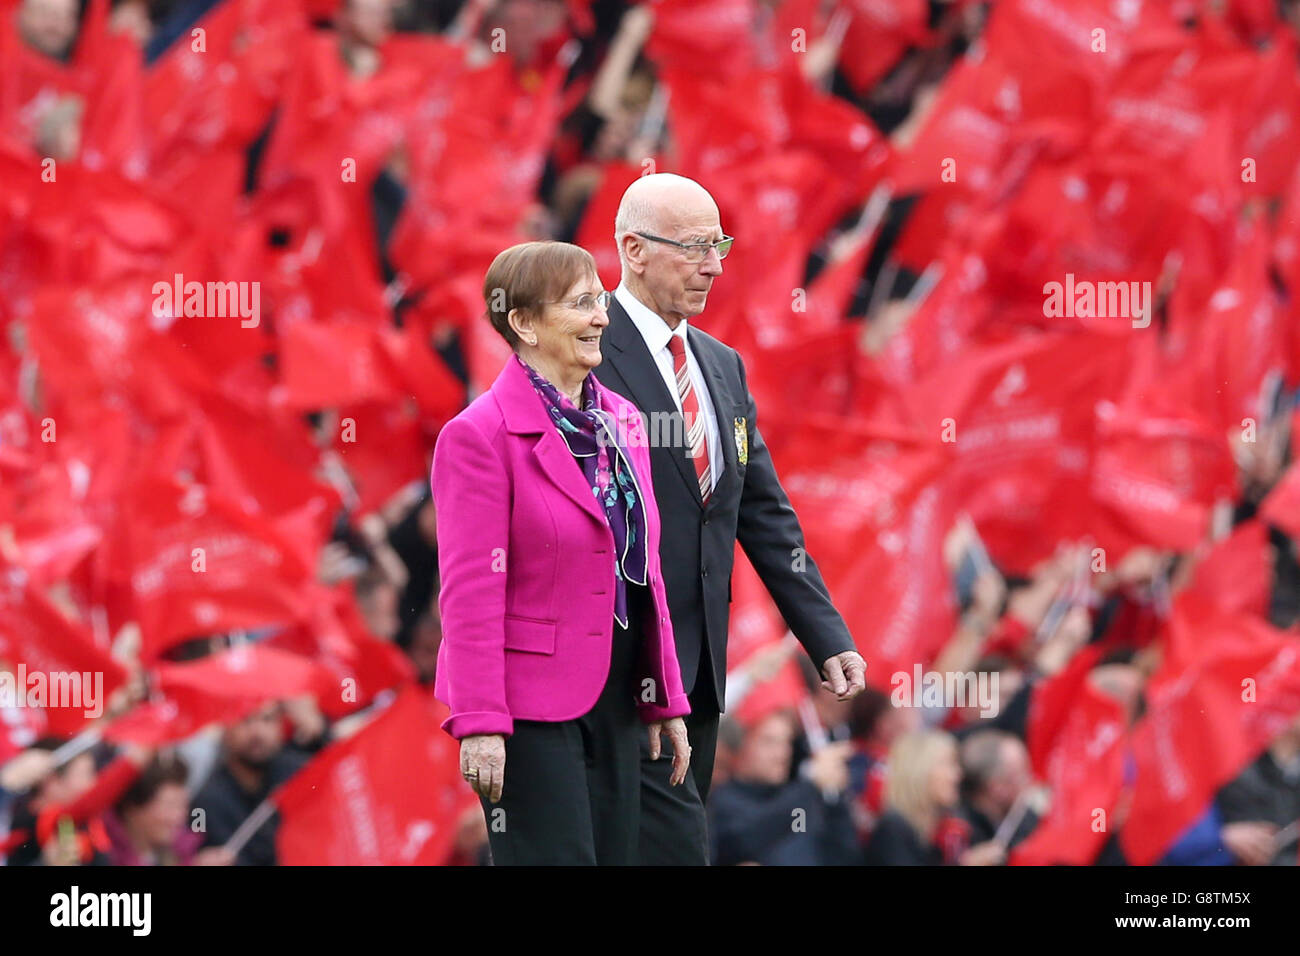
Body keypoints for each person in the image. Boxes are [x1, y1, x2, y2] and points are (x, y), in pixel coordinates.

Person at [593, 172, 867, 864]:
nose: (715, 264)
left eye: (719, 244)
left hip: (701, 670)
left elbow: (764, 514)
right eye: (694, 247)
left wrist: (825, 635)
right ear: (633, 248)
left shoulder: (721, 366)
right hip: (616, 666)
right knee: (666, 848)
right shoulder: (586, 349)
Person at [431, 240, 690, 865]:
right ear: (523, 322)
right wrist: (480, 719)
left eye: (600, 301)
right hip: (531, 710)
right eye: (581, 304)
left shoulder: (624, 420)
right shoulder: (478, 436)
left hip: (618, 697)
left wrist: (663, 694)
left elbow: (645, 570)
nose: (601, 316)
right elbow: (470, 591)